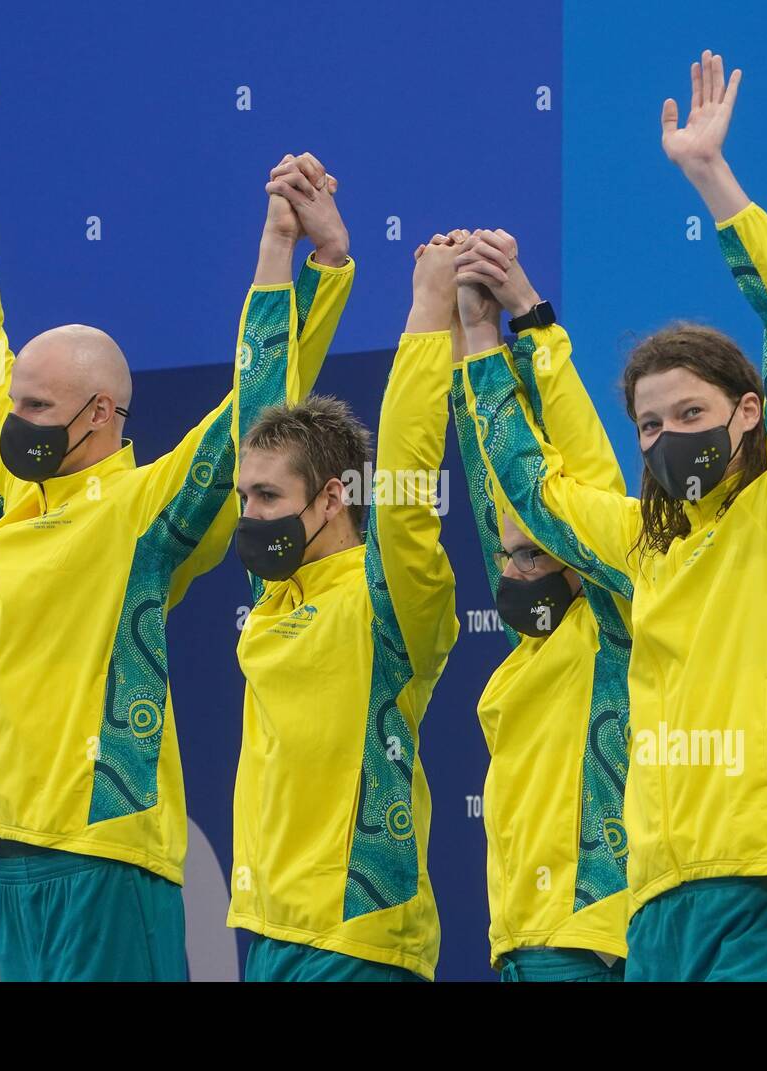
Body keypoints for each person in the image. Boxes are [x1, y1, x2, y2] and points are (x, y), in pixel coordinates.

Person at [0, 31, 353, 980]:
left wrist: (292, 257)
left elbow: (258, 406)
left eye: (34, 407)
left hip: (109, 853)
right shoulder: (16, 492)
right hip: (17, 854)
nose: (13, 418)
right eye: (17, 400)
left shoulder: (144, 511)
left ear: (99, 416)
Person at [457, 50, 767, 981]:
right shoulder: (644, 549)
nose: (667, 436)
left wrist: (712, 180)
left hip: (765, 881)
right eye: (649, 423)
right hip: (651, 903)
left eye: (690, 413)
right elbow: (534, 487)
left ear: (748, 412)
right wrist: (497, 330)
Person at [227, 232, 461, 981]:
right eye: (244, 497)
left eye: (268, 497)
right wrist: (281, 242)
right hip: (268, 930)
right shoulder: (274, 596)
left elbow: (405, 486)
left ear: (333, 499)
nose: (250, 516)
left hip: (361, 939)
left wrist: (428, 314)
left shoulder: (386, 599)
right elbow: (257, 401)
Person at [449, 267, 632, 981]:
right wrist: (473, 334)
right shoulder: (519, 662)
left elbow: (589, 486)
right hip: (519, 942)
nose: (516, 572)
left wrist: (533, 326)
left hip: (590, 942)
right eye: (507, 558)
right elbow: (490, 472)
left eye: (537, 556)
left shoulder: (612, 625)